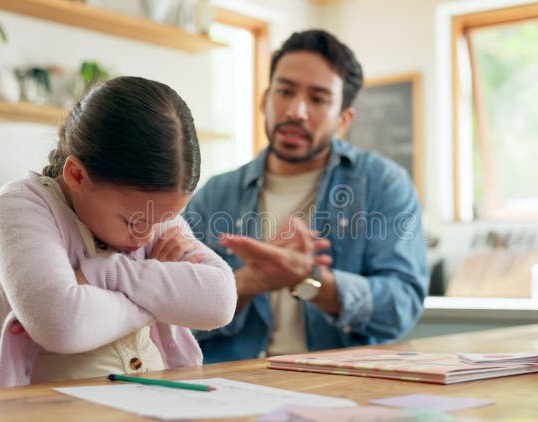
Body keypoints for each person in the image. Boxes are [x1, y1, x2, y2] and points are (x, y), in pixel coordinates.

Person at [184, 30, 429, 363]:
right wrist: (249, 282)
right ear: (265, 99)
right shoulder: (216, 194)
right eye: (285, 91)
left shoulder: (383, 184)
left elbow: (401, 307)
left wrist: (309, 280)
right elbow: (173, 316)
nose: (296, 111)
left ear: (344, 119)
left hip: (341, 386)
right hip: (231, 385)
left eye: (318, 99)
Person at [0, 76, 237, 389]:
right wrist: (166, 298)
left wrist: (106, 273)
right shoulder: (21, 206)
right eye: (132, 222)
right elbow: (62, 324)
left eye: (166, 219)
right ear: (77, 175)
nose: (147, 235)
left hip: (159, 403)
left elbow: (220, 301)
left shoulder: (151, 212)